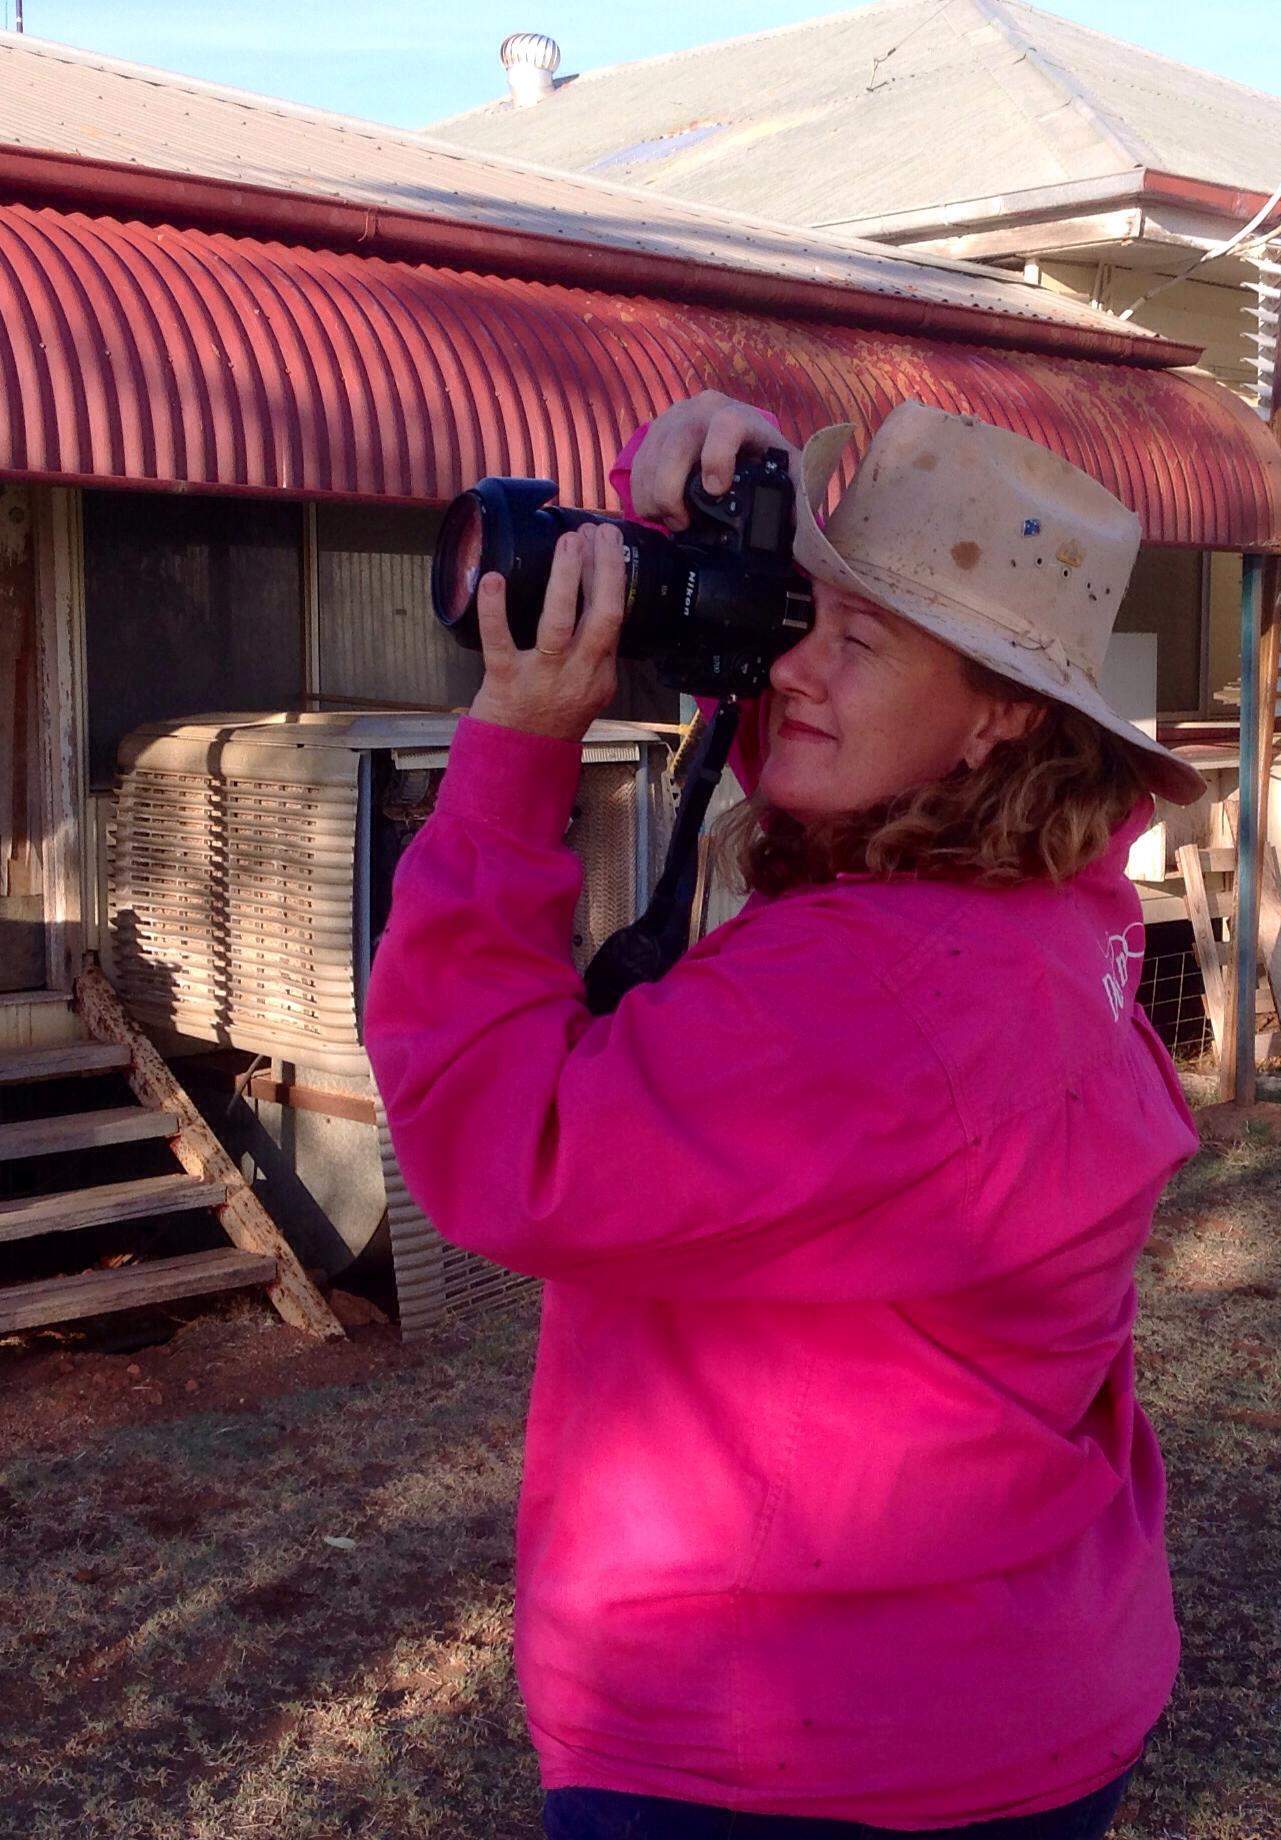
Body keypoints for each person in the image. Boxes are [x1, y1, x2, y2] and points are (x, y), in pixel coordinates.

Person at [364, 391, 1205, 1839]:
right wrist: (718, 502)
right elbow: (822, 730)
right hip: (1008, 1683)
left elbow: (503, 1144)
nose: (792, 669)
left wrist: (512, 755)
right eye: (794, 613)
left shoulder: (877, 990)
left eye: (857, 638)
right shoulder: (1056, 902)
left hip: (795, 1750)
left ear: (999, 715)